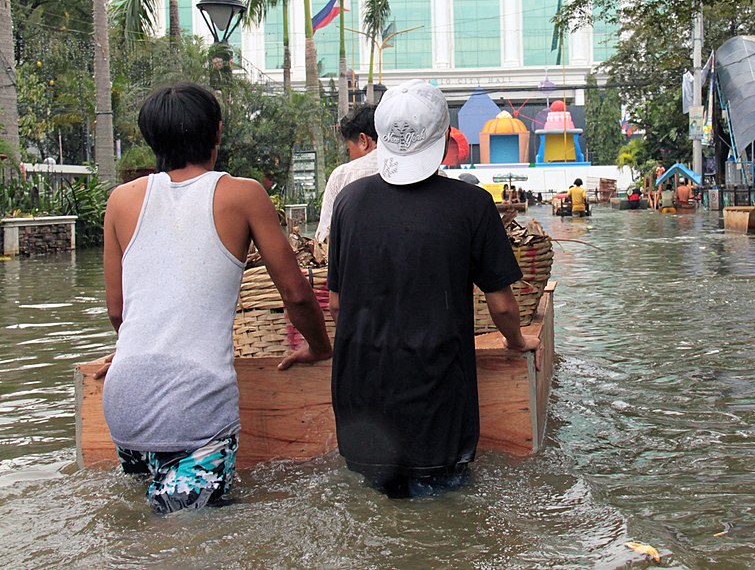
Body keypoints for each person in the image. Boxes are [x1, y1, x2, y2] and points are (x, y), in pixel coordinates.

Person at [99, 82, 332, 513]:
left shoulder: (121, 200)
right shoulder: (243, 194)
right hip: (195, 405)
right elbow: (297, 294)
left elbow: (118, 310)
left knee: (142, 525)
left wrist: (137, 348)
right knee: (190, 535)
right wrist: (320, 348)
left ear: (151, 139)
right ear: (218, 132)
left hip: (126, 396)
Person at [327, 79, 539, 499]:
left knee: (374, 510)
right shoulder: (472, 204)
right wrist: (517, 341)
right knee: (441, 509)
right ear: (444, 139)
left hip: (361, 404)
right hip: (436, 404)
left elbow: (337, 304)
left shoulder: (348, 202)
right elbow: (502, 305)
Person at [315, 104, 378, 242]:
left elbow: (324, 237)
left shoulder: (342, 175)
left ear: (363, 140)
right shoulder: (413, 170)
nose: (350, 157)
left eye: (349, 150)